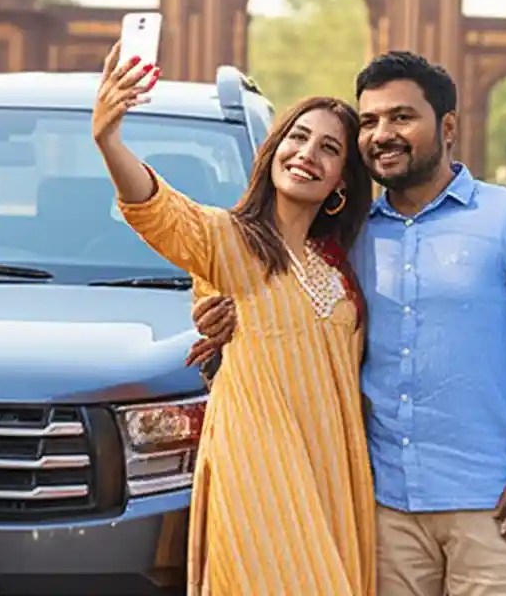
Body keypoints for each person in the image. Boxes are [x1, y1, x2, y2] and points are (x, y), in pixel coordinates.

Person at [189, 51, 506, 596]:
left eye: (402, 117)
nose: (383, 133)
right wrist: (230, 317)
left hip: (491, 503)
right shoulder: (344, 238)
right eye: (372, 121)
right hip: (384, 508)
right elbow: (293, 314)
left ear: (447, 127)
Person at [90, 42, 377, 596]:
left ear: (342, 181)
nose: (307, 154)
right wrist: (108, 140)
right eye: (297, 137)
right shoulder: (231, 242)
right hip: (259, 472)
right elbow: (160, 209)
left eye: (328, 148)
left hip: (332, 474)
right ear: (273, 150)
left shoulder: (341, 269)